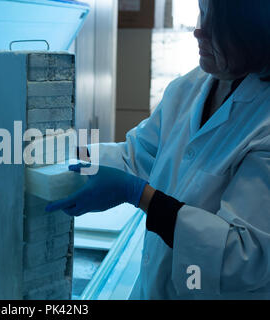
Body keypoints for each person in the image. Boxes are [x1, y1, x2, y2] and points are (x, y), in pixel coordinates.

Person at [46, 0, 270, 299]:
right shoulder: (190, 87)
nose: (198, 32)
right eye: (201, 13)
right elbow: (138, 154)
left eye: (215, 25)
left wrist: (140, 195)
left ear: (254, 32)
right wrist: (63, 153)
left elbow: (244, 257)